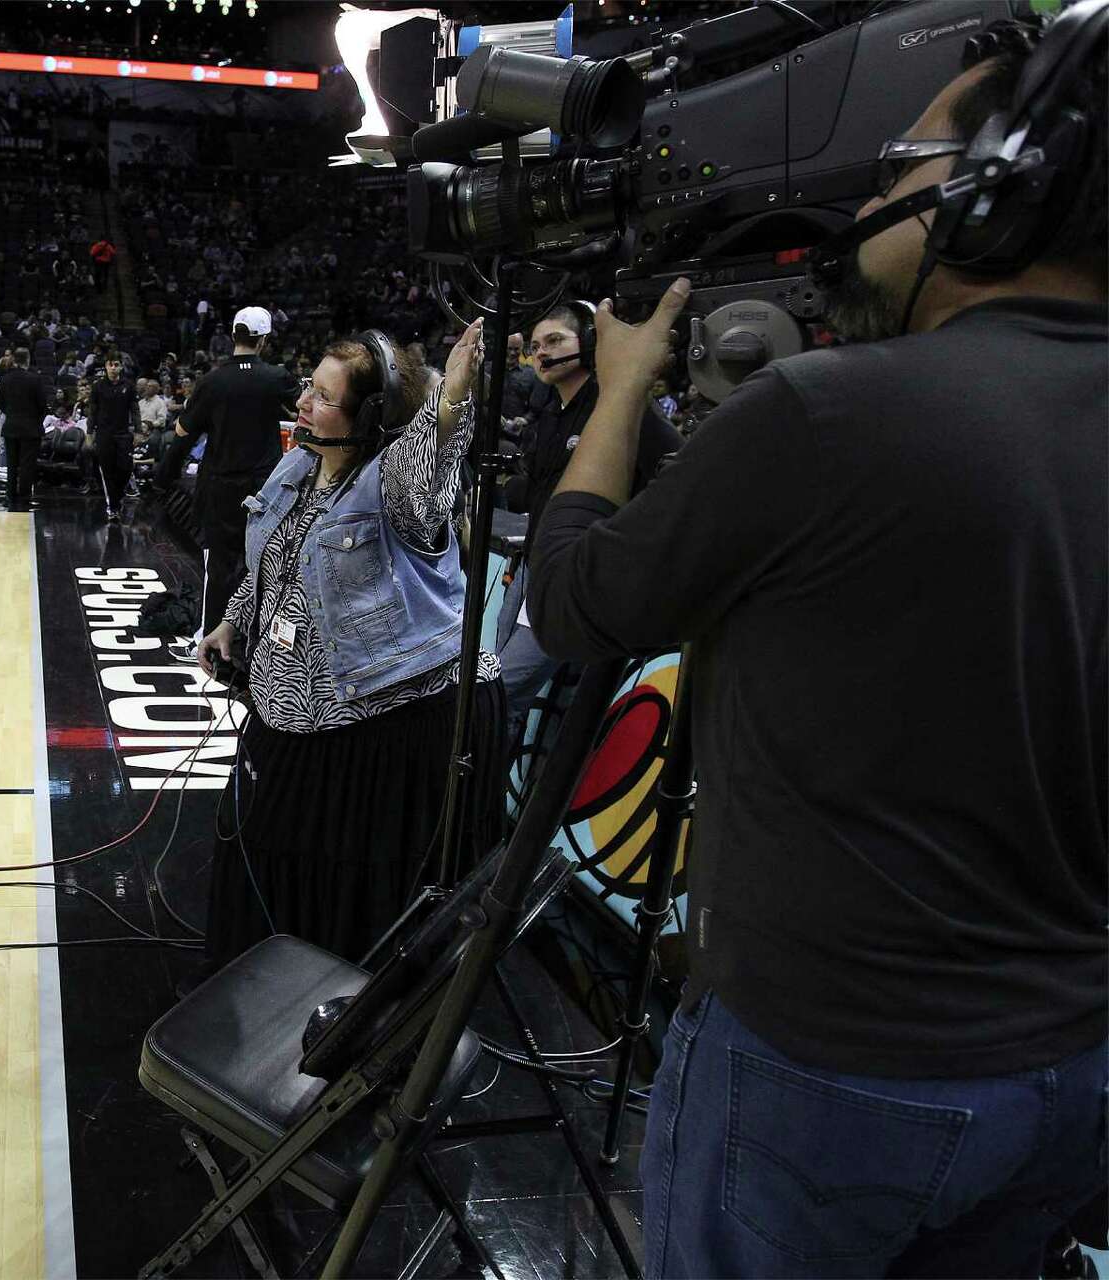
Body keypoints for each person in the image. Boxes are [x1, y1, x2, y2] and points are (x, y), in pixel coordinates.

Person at [526, 23, 1107, 1276]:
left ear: (994, 186)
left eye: (898, 169)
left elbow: (571, 602)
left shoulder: (829, 413)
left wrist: (621, 384)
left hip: (829, 1074)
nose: (867, 199)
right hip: (1072, 1072)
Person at [195, 322, 489, 970]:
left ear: (371, 416)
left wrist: (450, 403)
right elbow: (276, 560)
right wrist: (231, 623)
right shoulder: (303, 464)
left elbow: (428, 471)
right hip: (287, 719)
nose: (303, 403)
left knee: (335, 885)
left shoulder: (392, 486)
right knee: (259, 852)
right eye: (310, 388)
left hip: (370, 729)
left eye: (324, 397)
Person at [496, 302, 678, 743]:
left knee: (499, 693)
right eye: (536, 346)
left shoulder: (617, 406)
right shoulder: (550, 412)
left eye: (555, 341)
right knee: (501, 691)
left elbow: (673, 471)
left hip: (579, 578)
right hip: (532, 568)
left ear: (590, 346)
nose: (542, 353)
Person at [173, 306, 297, 634]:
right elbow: (305, 408)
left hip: (220, 486)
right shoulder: (277, 377)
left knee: (219, 563)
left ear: (232, 336)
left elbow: (184, 431)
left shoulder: (212, 381)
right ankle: (255, 636)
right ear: (264, 340)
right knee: (262, 563)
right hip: (264, 488)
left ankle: (210, 636)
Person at [0, 347, 50, 512]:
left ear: (14, 359)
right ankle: (24, 498)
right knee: (27, 465)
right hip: (31, 428)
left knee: (12, 464)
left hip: (11, 426)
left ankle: (10, 497)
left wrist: (13, 413)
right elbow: (43, 405)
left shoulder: (5, 379)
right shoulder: (35, 379)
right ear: (28, 359)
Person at [86, 352, 135, 523]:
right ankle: (113, 507)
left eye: (116, 364)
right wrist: (89, 433)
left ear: (121, 366)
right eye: (110, 364)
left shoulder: (128, 385)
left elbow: (134, 409)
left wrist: (138, 430)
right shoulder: (98, 386)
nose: (113, 368)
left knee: (125, 468)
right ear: (106, 366)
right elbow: (92, 411)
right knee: (107, 470)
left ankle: (119, 495)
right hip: (104, 434)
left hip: (123, 433)